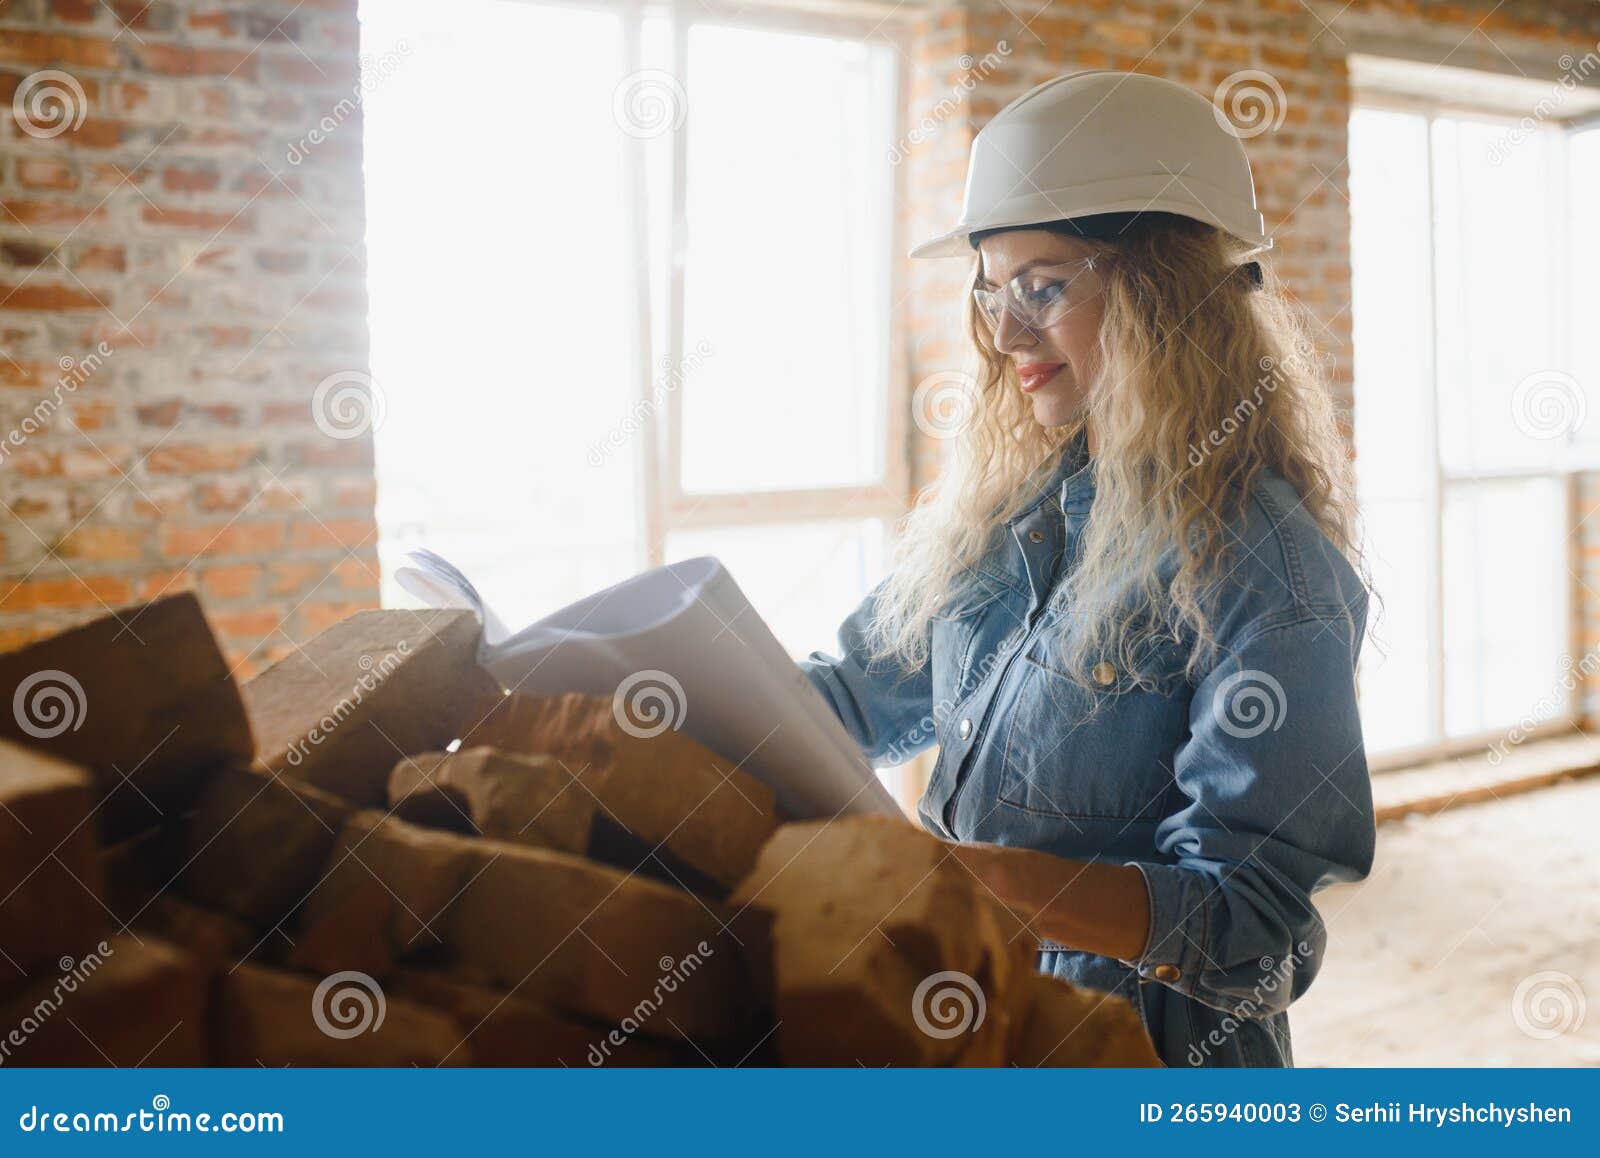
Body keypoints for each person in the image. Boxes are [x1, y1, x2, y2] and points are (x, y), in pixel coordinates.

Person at [800, 70, 1376, 1067]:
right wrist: (647, 698)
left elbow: (1258, 932)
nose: (1005, 333)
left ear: (1166, 293)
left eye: (1043, 286)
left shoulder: (1268, 570)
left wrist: (975, 884)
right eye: (991, 292)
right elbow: (852, 697)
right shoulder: (1008, 518)